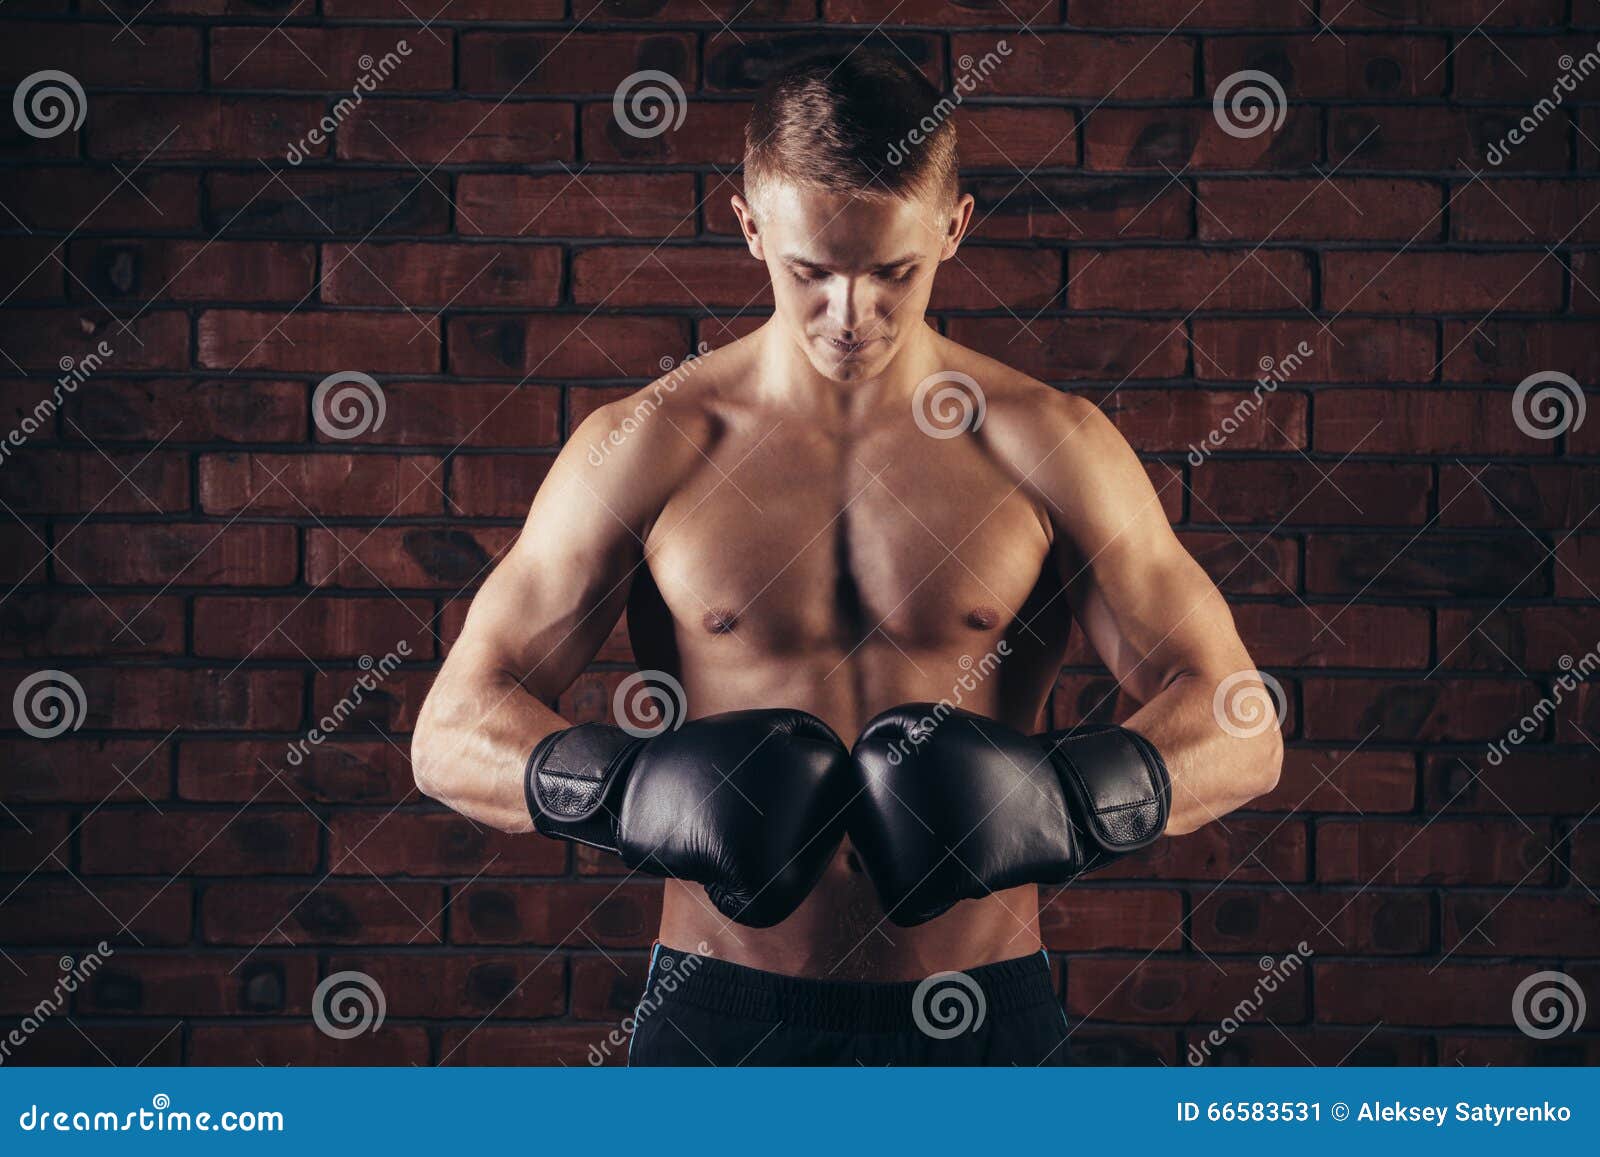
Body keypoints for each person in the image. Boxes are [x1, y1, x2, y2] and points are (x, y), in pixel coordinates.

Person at [412, 49, 1282, 1066]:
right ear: (748, 227)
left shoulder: (1050, 442)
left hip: (979, 1019)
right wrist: (627, 791)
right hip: (720, 1015)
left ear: (953, 227)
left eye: (892, 272)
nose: (849, 313)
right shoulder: (650, 442)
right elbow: (450, 730)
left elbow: (1241, 725)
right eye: (809, 272)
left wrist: (1063, 802)